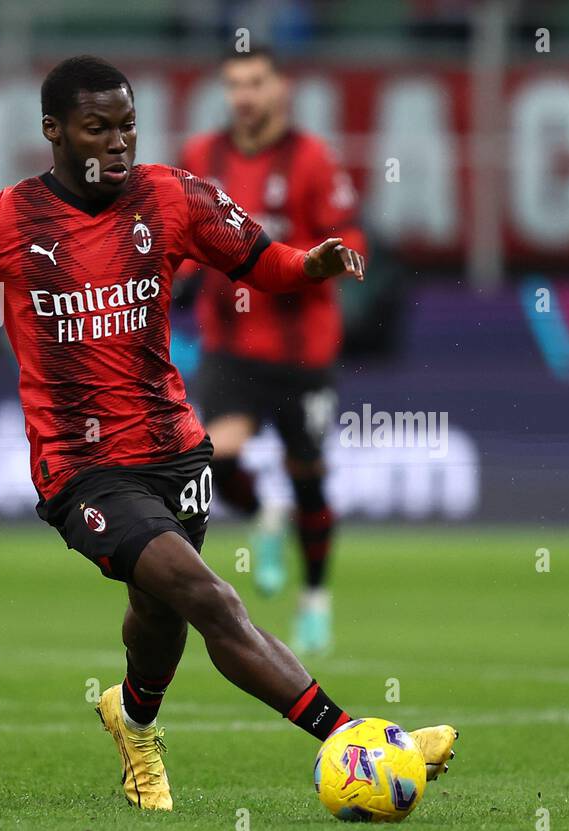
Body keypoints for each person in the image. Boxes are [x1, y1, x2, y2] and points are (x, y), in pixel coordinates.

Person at [0, 55, 455, 810]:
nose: (117, 142)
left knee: (160, 612)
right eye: (97, 128)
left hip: (175, 450)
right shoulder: (5, 219)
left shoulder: (173, 196)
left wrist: (308, 265)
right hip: (82, 468)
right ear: (54, 131)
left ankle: (133, 721)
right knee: (209, 598)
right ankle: (359, 740)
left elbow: (260, 262)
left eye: (127, 125)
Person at [180, 47, 365, 654]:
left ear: (281, 87)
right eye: (234, 84)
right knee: (213, 457)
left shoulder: (312, 158)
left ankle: (315, 599)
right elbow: (183, 235)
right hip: (230, 345)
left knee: (307, 475)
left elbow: (349, 231)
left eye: (255, 82)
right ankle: (263, 515)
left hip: (303, 351)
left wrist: (336, 256)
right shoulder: (201, 157)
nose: (244, 95)